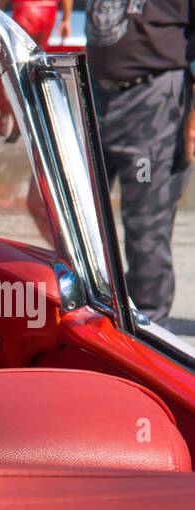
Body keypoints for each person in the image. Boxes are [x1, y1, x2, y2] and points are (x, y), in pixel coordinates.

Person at [87, 0, 195, 326]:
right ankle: (97, 306)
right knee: (71, 211)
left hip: (151, 107)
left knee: (145, 225)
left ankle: (149, 327)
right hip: (93, 95)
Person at [0, 0, 73, 139]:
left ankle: (11, 118)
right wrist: (66, 19)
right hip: (48, 13)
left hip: (24, 11)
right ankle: (36, 120)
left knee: (8, 65)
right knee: (36, 65)